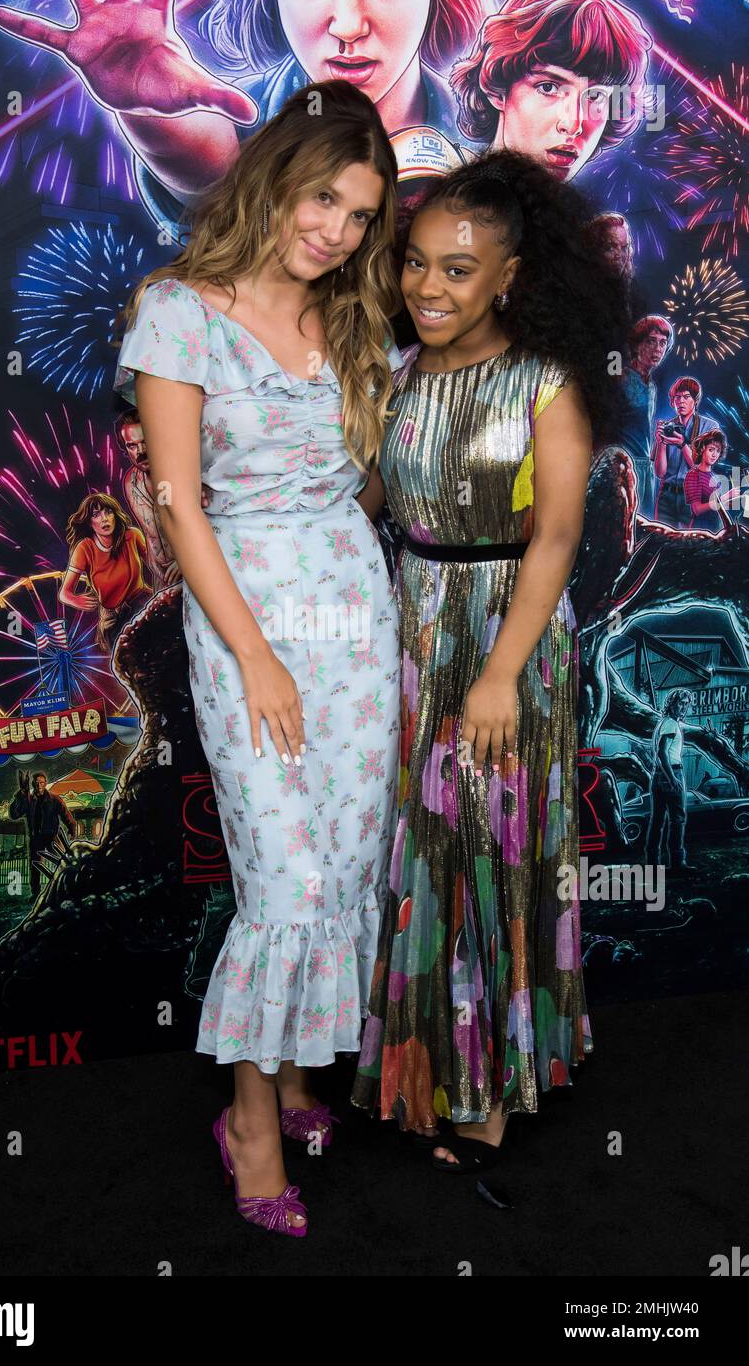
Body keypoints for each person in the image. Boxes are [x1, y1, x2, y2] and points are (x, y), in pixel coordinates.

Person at [112, 80, 403, 1236]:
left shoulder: (353, 319)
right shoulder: (178, 310)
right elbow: (180, 508)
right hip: (248, 613)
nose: (334, 227)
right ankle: (250, 1120)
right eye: (322, 195)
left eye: (359, 214)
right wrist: (256, 657)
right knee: (279, 880)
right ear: (275, 175)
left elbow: (364, 485)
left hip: (354, 605)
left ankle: (292, 1072)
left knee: (339, 859)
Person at [350, 148, 630, 1172]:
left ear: (510, 276)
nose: (427, 287)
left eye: (457, 270)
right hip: (412, 629)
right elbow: (367, 511)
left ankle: (491, 1085)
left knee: (490, 852)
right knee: (421, 856)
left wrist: (500, 673)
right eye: (415, 264)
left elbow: (555, 536)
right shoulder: (400, 374)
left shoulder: (543, 382)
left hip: (504, 637)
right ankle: (420, 1067)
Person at [0, 0, 497, 246]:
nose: (347, 23)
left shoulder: (494, 142)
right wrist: (149, 111)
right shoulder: (248, 130)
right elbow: (213, 177)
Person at [449, 0, 651, 183]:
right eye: (548, 87)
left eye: (595, 96)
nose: (573, 124)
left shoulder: (579, 214)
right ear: (498, 90)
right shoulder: (441, 191)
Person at [60, 493, 152, 653]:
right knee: (124, 660)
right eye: (96, 515)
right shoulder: (85, 548)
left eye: (108, 512)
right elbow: (64, 593)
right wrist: (75, 599)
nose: (104, 519)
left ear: (115, 515)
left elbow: (156, 564)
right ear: (89, 522)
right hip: (112, 617)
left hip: (141, 602)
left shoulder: (132, 536)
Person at [115, 411, 180, 588]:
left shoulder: (180, 470)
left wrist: (185, 558)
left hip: (196, 567)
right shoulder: (130, 482)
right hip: (163, 581)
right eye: (132, 446)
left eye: (146, 442)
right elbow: (150, 533)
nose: (141, 451)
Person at [618, 316, 674, 519]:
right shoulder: (621, 378)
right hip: (623, 468)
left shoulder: (652, 387)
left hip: (645, 470)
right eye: (651, 341)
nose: (657, 348)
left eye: (662, 343)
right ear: (637, 344)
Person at [653, 378, 720, 528]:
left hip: (693, 496)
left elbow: (701, 467)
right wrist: (661, 443)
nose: (681, 401)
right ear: (672, 401)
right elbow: (660, 472)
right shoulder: (667, 427)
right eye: (677, 397)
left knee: (691, 546)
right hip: (667, 496)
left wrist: (683, 444)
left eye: (686, 396)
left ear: (695, 400)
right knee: (660, 542)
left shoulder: (709, 427)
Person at [8, 771, 76, 901]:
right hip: (36, 838)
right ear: (33, 784)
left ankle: (68, 887)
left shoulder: (54, 799)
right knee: (35, 866)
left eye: (42, 782)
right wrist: (21, 794)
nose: (39, 785)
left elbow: (65, 814)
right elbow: (14, 814)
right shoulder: (28, 800)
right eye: (37, 783)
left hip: (51, 837)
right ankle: (36, 893)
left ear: (45, 783)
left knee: (61, 862)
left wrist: (71, 828)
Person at [645, 689, 691, 871]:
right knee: (677, 819)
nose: (684, 707)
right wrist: (672, 778)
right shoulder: (671, 724)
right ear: (671, 703)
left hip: (658, 776)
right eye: (681, 703)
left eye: (686, 704)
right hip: (670, 773)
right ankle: (678, 864)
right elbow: (662, 752)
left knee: (657, 821)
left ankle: (652, 864)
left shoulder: (662, 723)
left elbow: (658, 752)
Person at [684, 430, 736, 534]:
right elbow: (697, 510)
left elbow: (715, 507)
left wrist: (729, 502)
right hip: (702, 531)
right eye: (711, 450)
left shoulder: (714, 476)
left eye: (718, 451)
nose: (714, 455)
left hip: (718, 528)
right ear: (702, 450)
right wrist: (723, 498)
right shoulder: (694, 475)